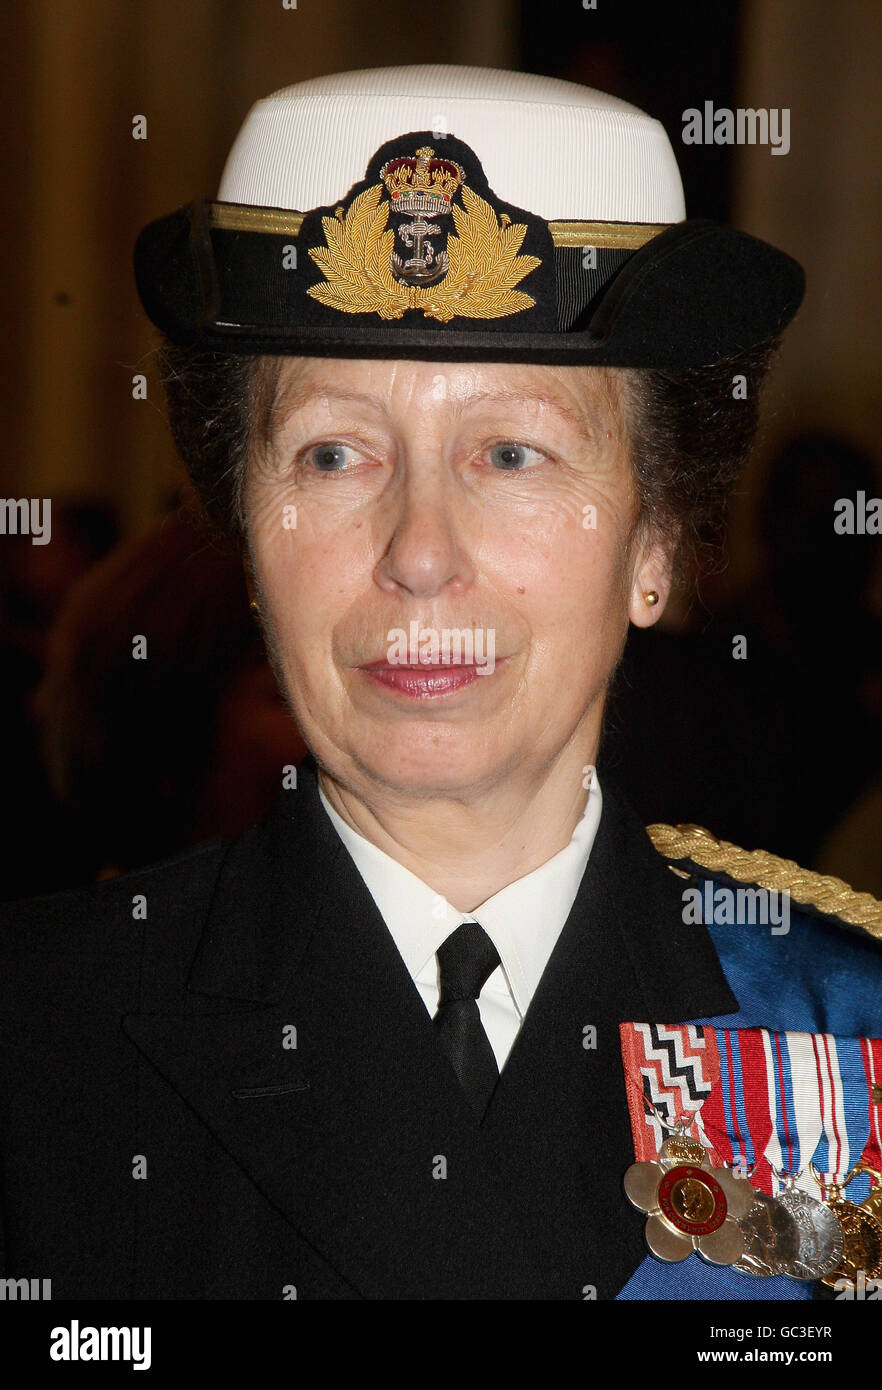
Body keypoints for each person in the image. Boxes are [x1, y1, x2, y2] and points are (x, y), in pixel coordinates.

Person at [1, 65, 880, 1302]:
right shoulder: (37, 1039)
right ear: (251, 542)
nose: (419, 551)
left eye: (512, 451)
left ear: (656, 545)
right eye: (335, 451)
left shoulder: (844, 1031)